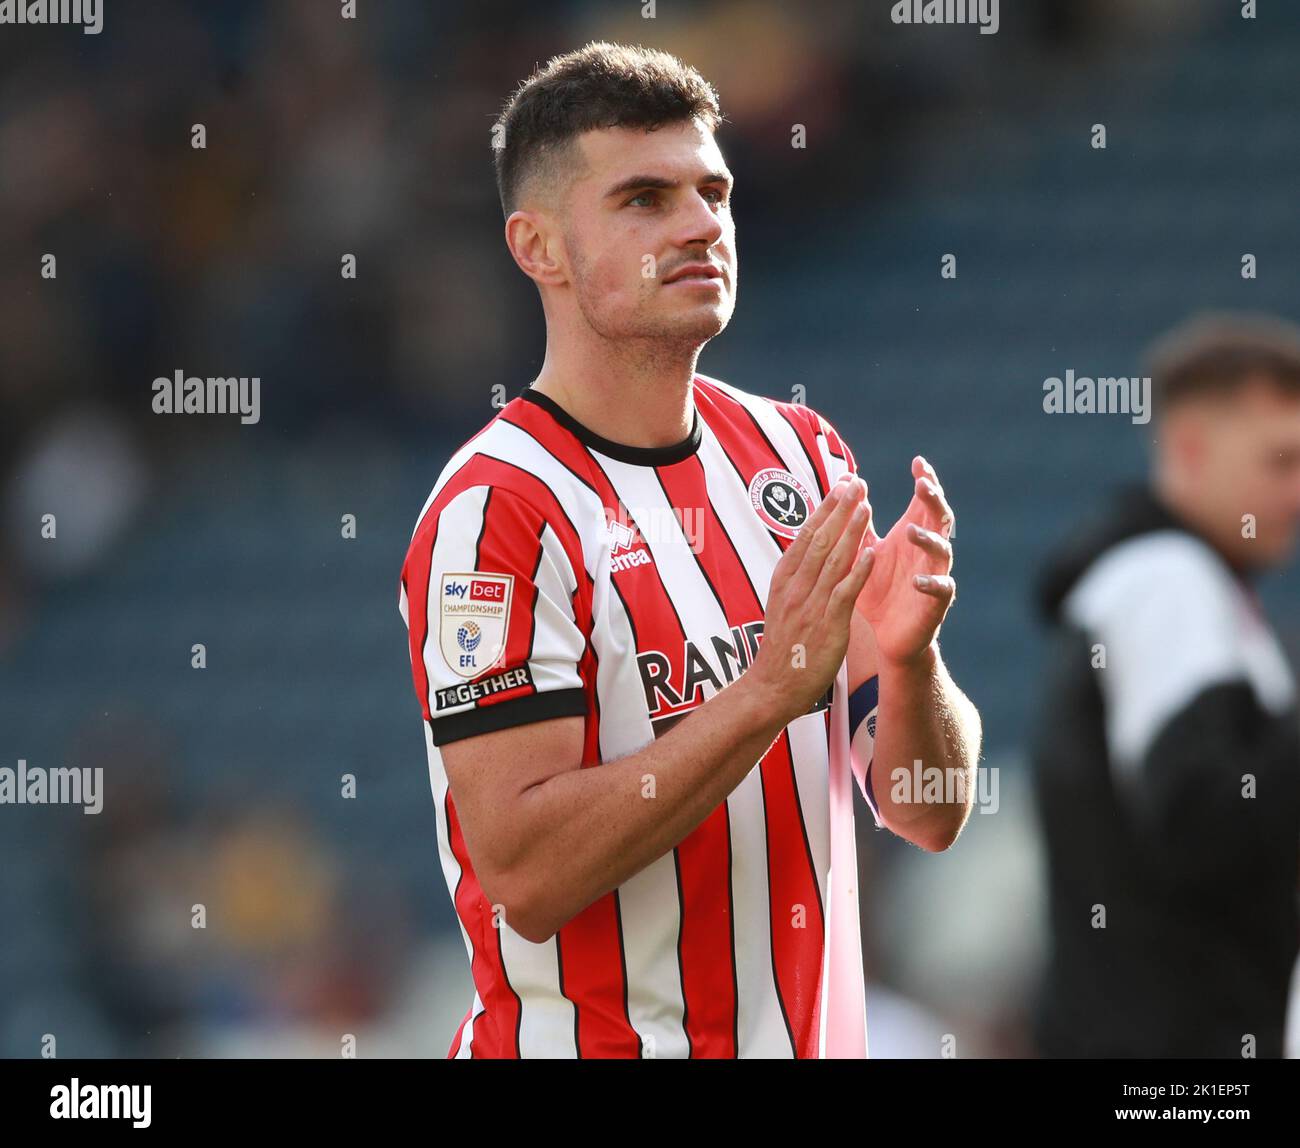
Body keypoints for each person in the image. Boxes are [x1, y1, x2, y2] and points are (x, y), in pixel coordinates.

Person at [398, 41, 981, 1059]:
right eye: (642, 199)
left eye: (712, 191)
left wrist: (908, 658)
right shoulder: (498, 509)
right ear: (536, 246)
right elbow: (527, 878)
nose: (700, 224)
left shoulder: (799, 456)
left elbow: (926, 813)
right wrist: (763, 693)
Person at [1031, 312, 1300, 1058]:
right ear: (1188, 450)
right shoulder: (1167, 582)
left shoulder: (1175, 583)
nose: (1298, 493)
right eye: (1280, 462)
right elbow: (1202, 822)